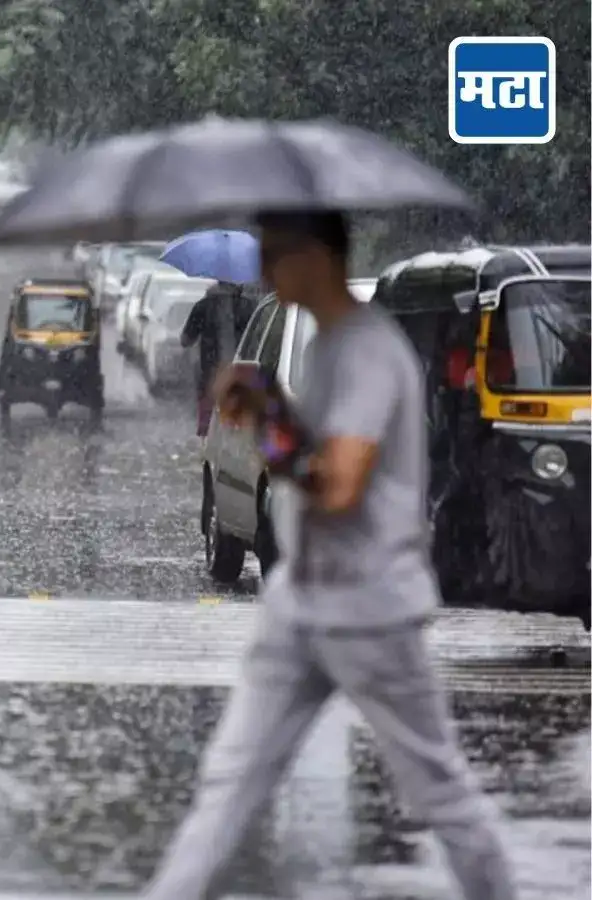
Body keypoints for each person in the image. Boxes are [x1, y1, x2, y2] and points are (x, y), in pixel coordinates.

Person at [142, 210, 516, 900]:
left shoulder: (370, 353)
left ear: (318, 258)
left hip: (368, 603)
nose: (268, 272)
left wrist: (266, 419)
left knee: (439, 790)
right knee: (230, 782)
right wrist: (270, 410)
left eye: (279, 256)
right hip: (299, 600)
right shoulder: (324, 350)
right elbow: (307, 464)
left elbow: (336, 484)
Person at [180, 280, 261, 438]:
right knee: (238, 425)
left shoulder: (203, 306)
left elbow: (185, 340)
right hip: (242, 373)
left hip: (209, 374)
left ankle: (208, 452)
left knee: (208, 423)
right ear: (239, 284)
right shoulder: (250, 308)